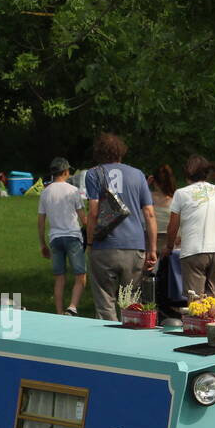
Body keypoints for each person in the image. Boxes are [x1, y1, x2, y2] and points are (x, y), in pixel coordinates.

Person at [84, 132, 157, 321]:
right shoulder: (138, 175)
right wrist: (153, 249)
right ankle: (130, 339)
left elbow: (93, 212)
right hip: (134, 245)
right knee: (132, 301)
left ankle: (107, 343)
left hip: (104, 246)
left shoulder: (93, 174)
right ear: (120, 152)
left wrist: (90, 243)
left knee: (104, 299)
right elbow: (149, 213)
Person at [164, 155, 215, 317]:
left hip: (195, 251)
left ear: (187, 174)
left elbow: (173, 227)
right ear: (207, 173)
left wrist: (169, 246)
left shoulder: (181, 193)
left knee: (196, 301)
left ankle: (199, 336)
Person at [37, 157, 87, 315]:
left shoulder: (45, 192)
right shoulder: (72, 191)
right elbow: (83, 219)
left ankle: (59, 313)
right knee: (80, 275)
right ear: (65, 172)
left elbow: (41, 222)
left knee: (59, 278)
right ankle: (72, 307)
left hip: (55, 238)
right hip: (72, 236)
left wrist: (43, 244)